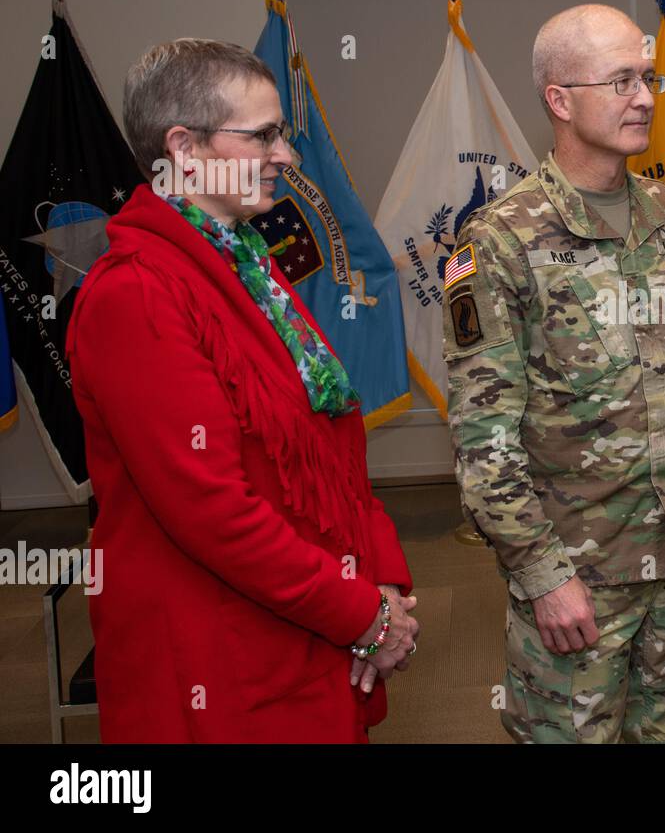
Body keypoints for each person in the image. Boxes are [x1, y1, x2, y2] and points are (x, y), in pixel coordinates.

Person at [67, 39, 418, 742]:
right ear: (184, 148)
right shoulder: (135, 294)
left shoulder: (244, 265)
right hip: (220, 657)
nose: (285, 155)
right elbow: (213, 513)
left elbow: (330, 444)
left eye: (279, 133)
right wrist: (361, 614)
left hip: (301, 623)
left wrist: (379, 575)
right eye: (263, 135)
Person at [443, 4, 665, 743]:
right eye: (621, 80)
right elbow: (483, 439)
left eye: (648, 78)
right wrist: (541, 573)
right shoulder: (498, 241)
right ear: (560, 99)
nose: (645, 97)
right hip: (580, 577)